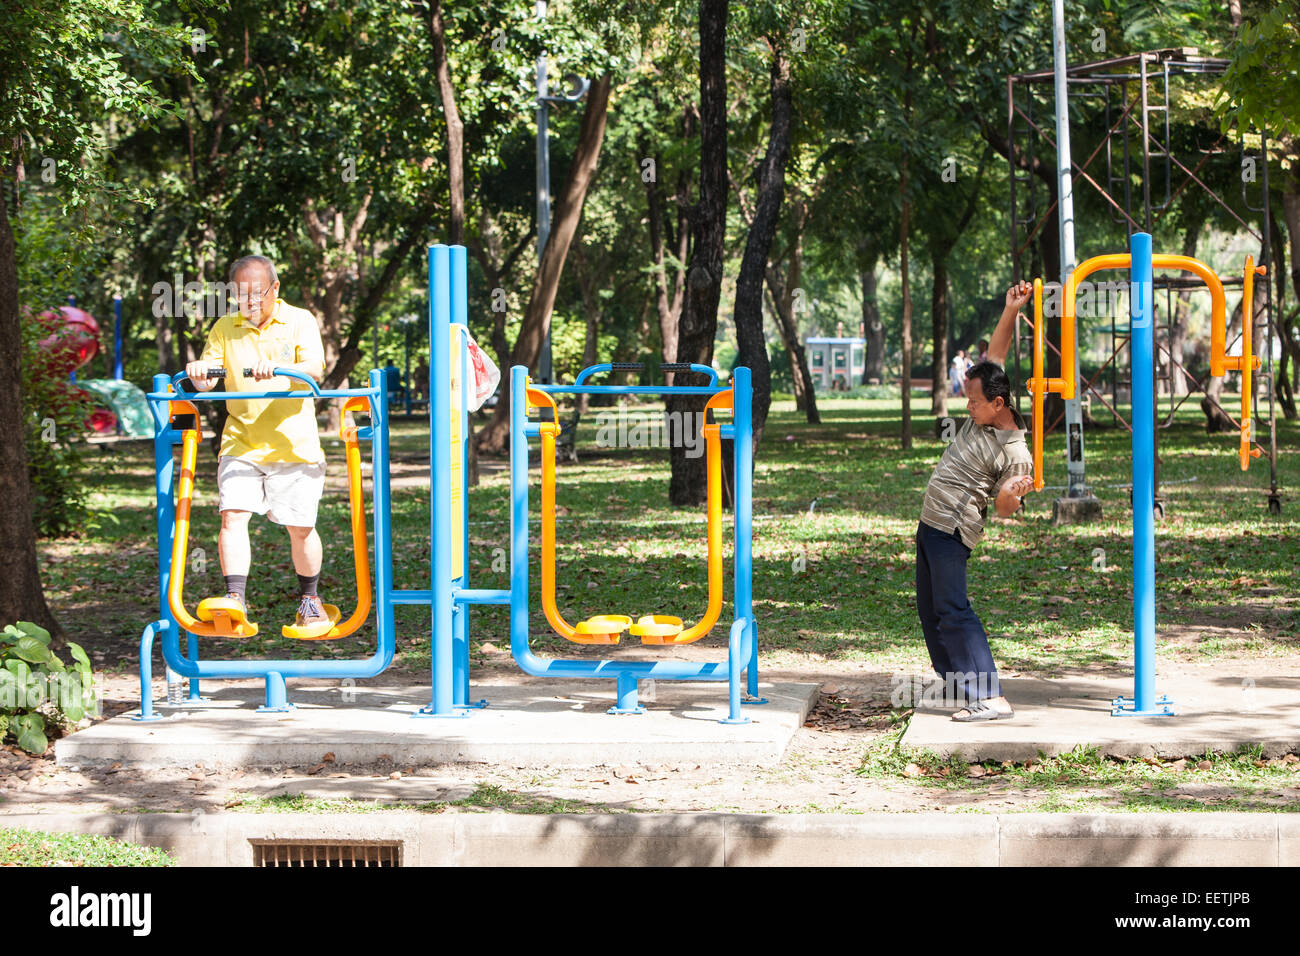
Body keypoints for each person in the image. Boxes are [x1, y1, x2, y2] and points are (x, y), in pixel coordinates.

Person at [184, 255, 331, 634]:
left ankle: (310, 601)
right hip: (241, 440)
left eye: (257, 293)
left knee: (299, 527)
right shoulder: (225, 326)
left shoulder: (299, 321)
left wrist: (282, 370)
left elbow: (315, 371)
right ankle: (235, 599)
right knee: (232, 516)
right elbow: (209, 379)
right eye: (240, 294)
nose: (249, 301)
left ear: (275, 288)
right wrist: (199, 373)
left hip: (292, 444)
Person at [916, 281, 1035, 721]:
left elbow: (1007, 510)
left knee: (953, 609)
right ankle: (956, 685)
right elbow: (995, 356)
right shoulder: (983, 413)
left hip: (951, 531)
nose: (967, 407)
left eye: (974, 402)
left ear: (997, 403)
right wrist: (1011, 309)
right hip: (930, 525)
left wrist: (1006, 495)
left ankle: (990, 696)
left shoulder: (1015, 453)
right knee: (931, 611)